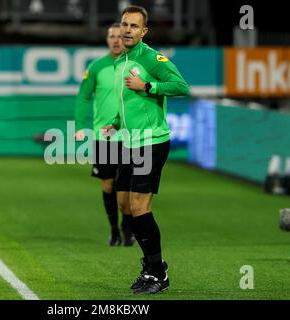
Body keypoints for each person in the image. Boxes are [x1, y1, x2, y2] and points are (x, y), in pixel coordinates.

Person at [102, 5, 189, 294]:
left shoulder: (151, 58)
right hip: (129, 142)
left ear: (144, 31)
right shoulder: (121, 62)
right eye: (124, 25)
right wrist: (115, 122)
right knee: (125, 205)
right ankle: (153, 266)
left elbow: (180, 86)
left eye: (133, 26)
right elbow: (127, 102)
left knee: (140, 206)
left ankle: (157, 271)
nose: (127, 30)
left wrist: (148, 85)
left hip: (151, 141)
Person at [75, 23, 135, 247]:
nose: (116, 40)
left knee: (126, 191)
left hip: (130, 137)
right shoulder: (97, 67)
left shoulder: (134, 65)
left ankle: (127, 229)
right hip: (105, 138)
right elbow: (83, 97)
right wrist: (80, 125)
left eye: (120, 36)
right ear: (107, 39)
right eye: (112, 36)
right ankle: (114, 230)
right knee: (107, 185)